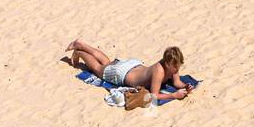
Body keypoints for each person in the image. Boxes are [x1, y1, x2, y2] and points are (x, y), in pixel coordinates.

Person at [64, 42, 192, 102]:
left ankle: (80, 44)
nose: (177, 69)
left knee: (107, 62)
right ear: (168, 64)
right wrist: (174, 95)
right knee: (98, 69)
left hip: (132, 65)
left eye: (179, 66)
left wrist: (185, 87)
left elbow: (177, 82)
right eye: (175, 67)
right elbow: (154, 95)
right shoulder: (159, 71)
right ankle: (79, 51)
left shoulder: (172, 63)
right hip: (122, 73)